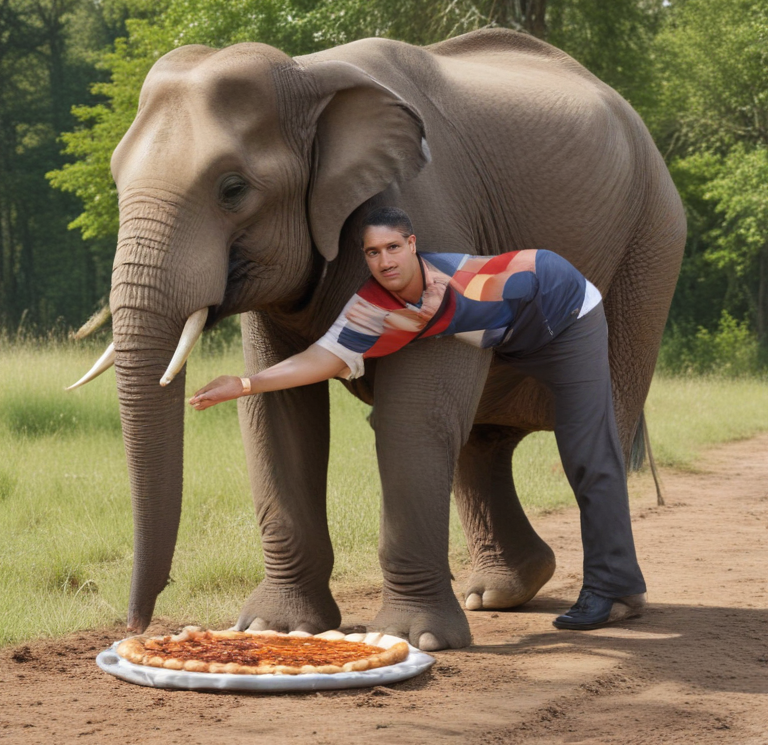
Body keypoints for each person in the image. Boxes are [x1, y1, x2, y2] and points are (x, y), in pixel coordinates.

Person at [190, 206, 647, 630]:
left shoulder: (452, 278)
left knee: (586, 449)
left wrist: (431, 313)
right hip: (512, 338)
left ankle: (614, 588)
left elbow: (519, 286)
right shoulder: (373, 304)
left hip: (563, 313)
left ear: (411, 244)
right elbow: (322, 356)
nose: (385, 260)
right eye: (373, 252)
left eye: (393, 247)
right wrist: (245, 384)